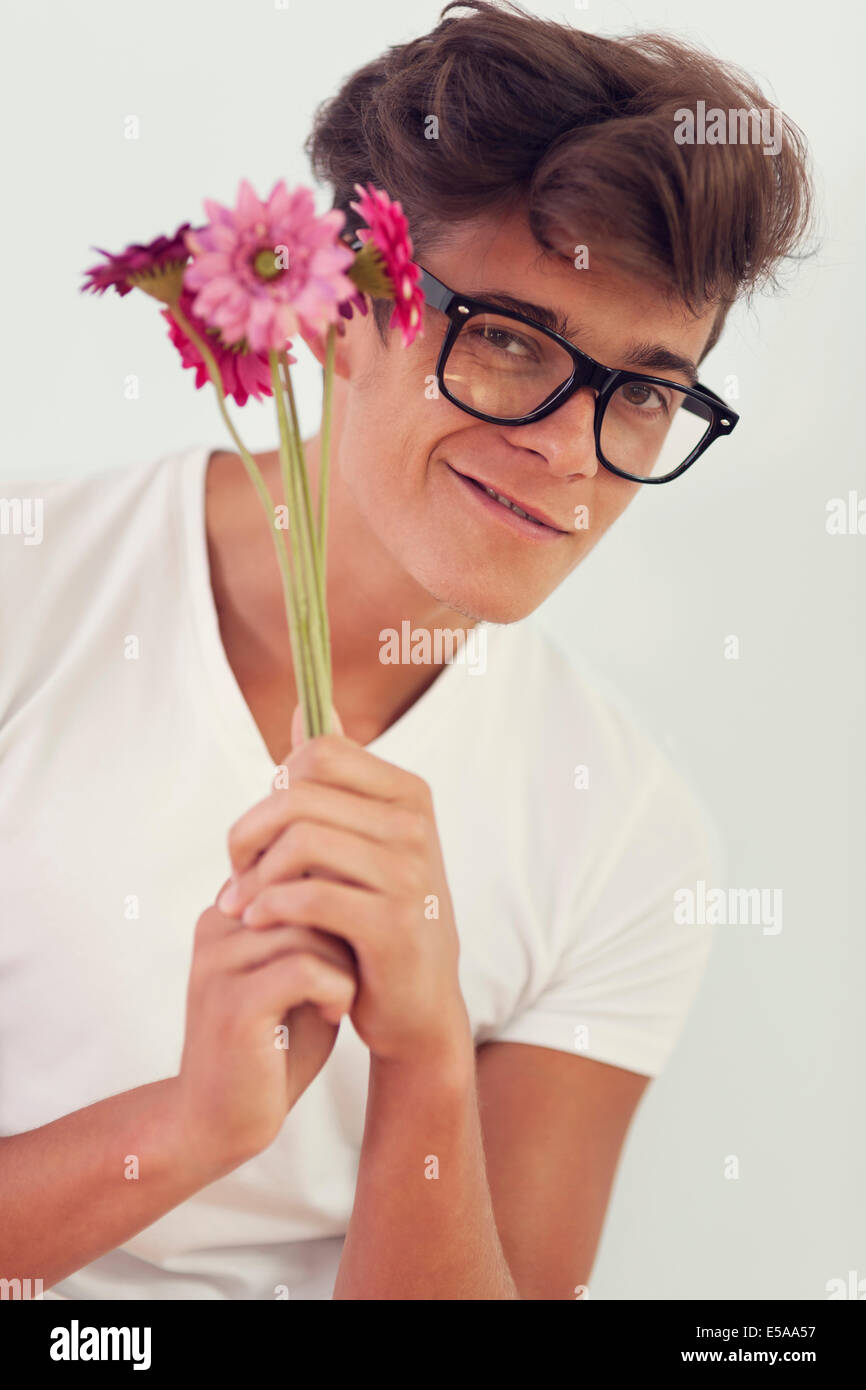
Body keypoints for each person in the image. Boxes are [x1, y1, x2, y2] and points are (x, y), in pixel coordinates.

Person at [0, 0, 813, 1300]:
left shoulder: (627, 841)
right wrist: (192, 1129)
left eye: (645, 394)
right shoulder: (30, 584)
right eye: (504, 340)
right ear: (334, 304)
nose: (564, 451)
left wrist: (426, 1055)